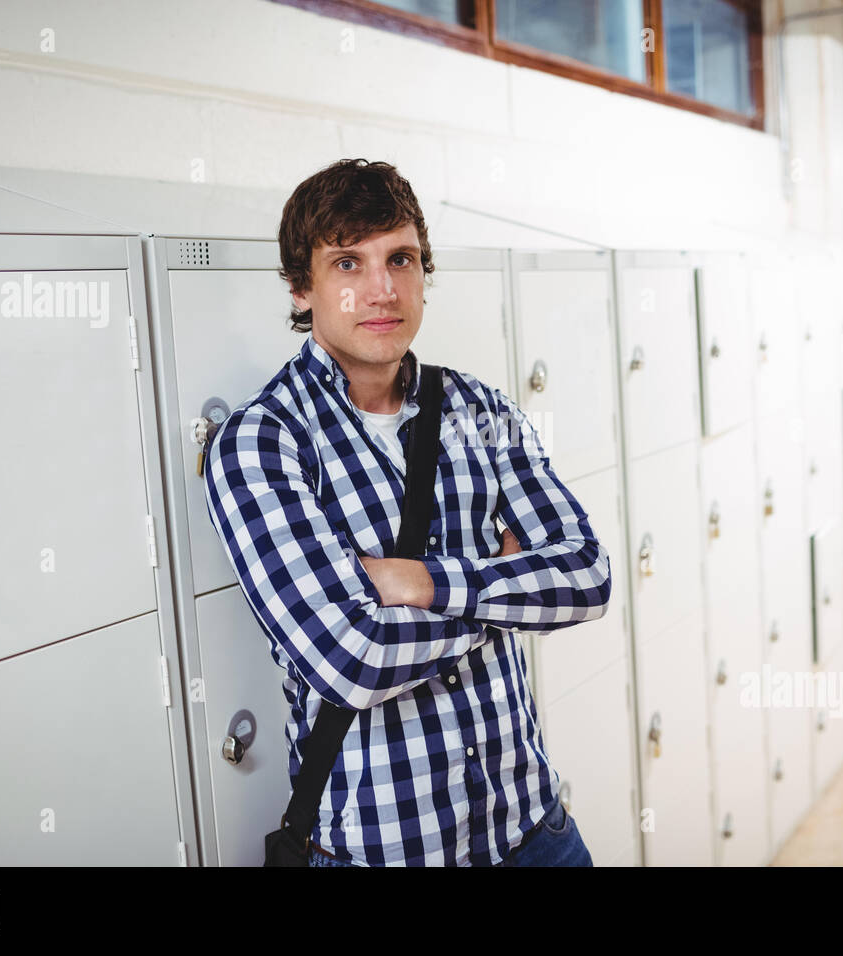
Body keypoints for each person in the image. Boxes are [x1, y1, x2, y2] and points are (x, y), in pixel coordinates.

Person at [202, 158, 611, 867]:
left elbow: (586, 573)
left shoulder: (479, 411)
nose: (382, 288)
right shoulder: (262, 443)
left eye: (401, 259)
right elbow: (352, 657)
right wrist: (501, 587)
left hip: (534, 833)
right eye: (348, 264)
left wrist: (422, 583)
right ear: (303, 288)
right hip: (384, 851)